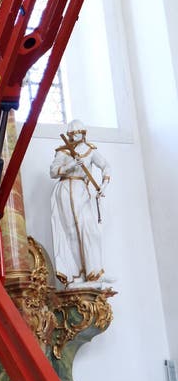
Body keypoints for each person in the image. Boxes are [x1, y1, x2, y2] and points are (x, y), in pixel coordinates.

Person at [50, 119, 111, 287]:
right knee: (71, 232)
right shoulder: (63, 151)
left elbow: (106, 166)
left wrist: (103, 185)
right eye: (73, 133)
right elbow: (53, 172)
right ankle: (77, 276)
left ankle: (95, 272)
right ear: (69, 135)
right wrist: (70, 165)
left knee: (90, 230)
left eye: (79, 133)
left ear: (84, 133)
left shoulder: (90, 150)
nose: (76, 136)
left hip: (81, 191)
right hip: (65, 190)